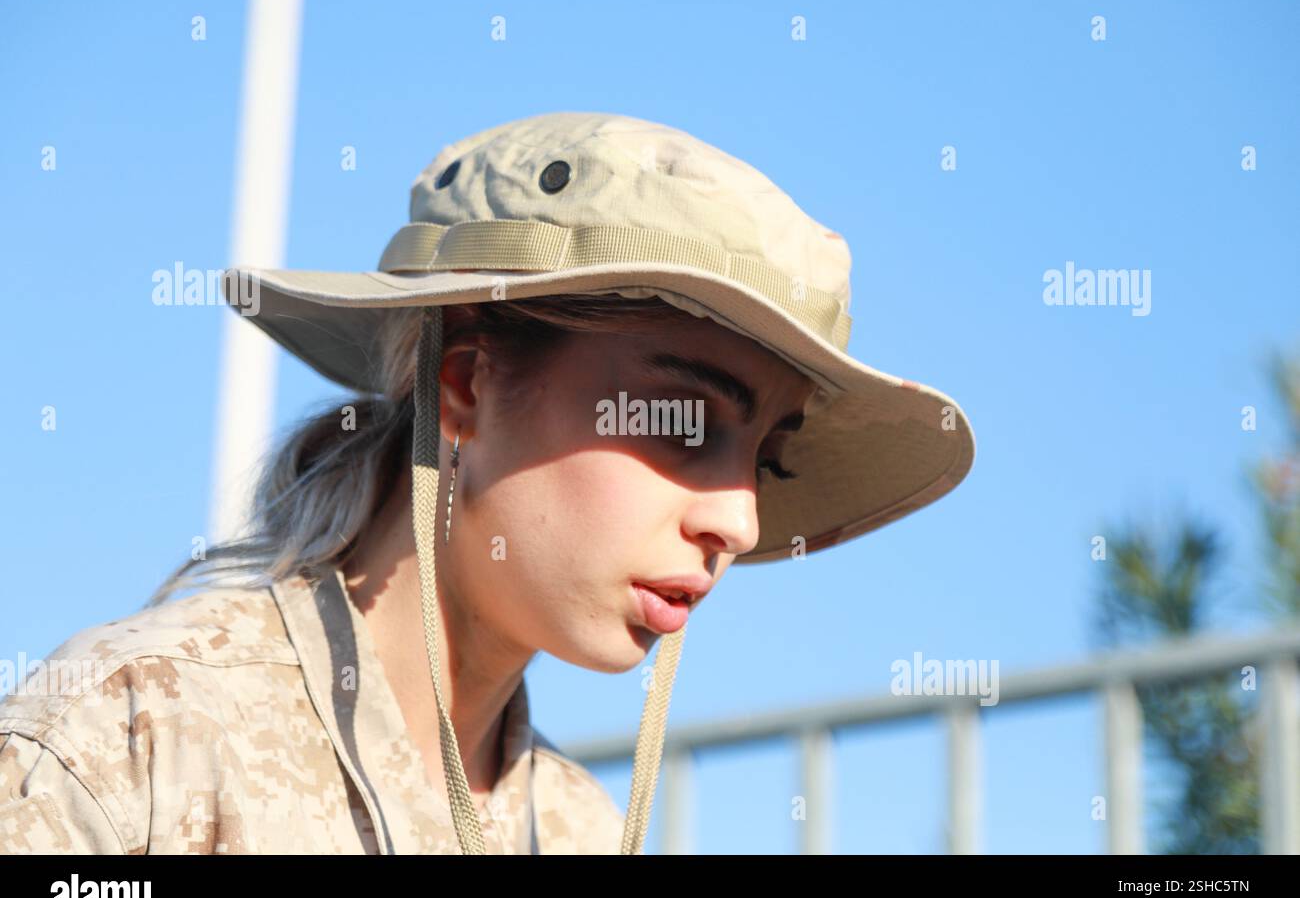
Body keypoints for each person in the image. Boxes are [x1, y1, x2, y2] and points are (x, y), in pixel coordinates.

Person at [0, 111, 975, 854]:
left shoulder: (578, 828)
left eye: (764, 454)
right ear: (466, 380)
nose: (740, 517)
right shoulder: (134, 736)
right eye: (686, 420)